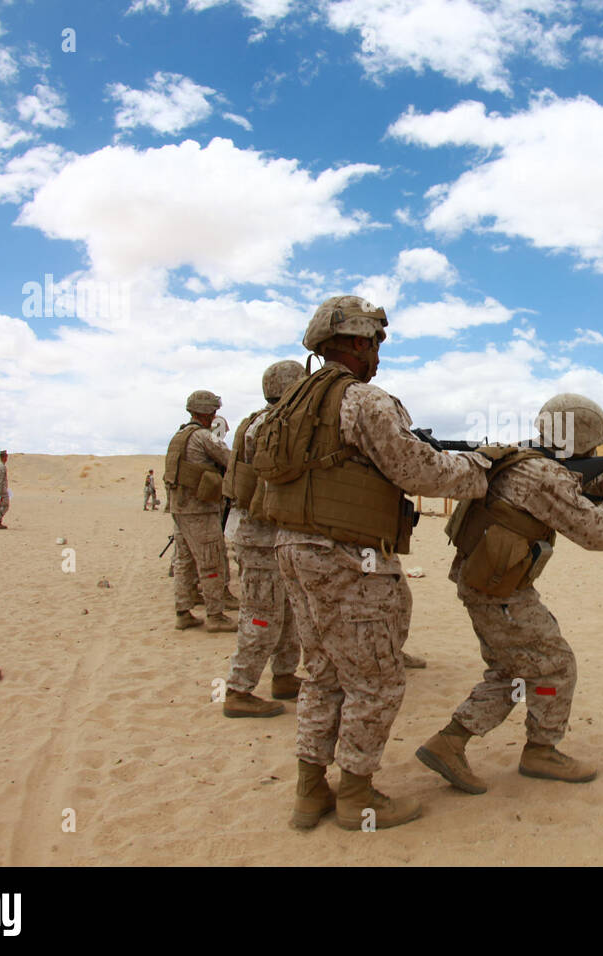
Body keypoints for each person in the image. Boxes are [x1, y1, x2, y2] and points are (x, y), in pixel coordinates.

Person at [268, 295, 491, 831]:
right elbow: (418, 471)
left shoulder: (288, 405)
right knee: (376, 680)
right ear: (357, 343)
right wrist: (479, 470)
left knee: (322, 673)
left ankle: (310, 791)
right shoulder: (364, 402)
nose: (377, 355)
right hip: (350, 557)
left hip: (294, 551)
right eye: (374, 343)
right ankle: (358, 795)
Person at [415, 394, 603, 795]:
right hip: (501, 594)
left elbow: (566, 495)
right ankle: (541, 751)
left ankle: (449, 743)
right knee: (555, 664)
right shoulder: (546, 477)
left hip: (487, 583)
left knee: (513, 670)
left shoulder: (521, 459)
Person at [220, 360, 307, 718]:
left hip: (272, 535)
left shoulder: (262, 419)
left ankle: (284, 676)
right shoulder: (274, 426)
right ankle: (239, 691)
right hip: (261, 537)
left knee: (286, 612)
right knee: (261, 616)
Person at [164, 390, 236, 633]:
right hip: (199, 509)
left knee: (184, 560)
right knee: (211, 560)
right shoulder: (204, 437)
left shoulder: (179, 435)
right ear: (209, 412)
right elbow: (230, 460)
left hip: (179, 507)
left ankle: (183, 612)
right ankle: (215, 616)